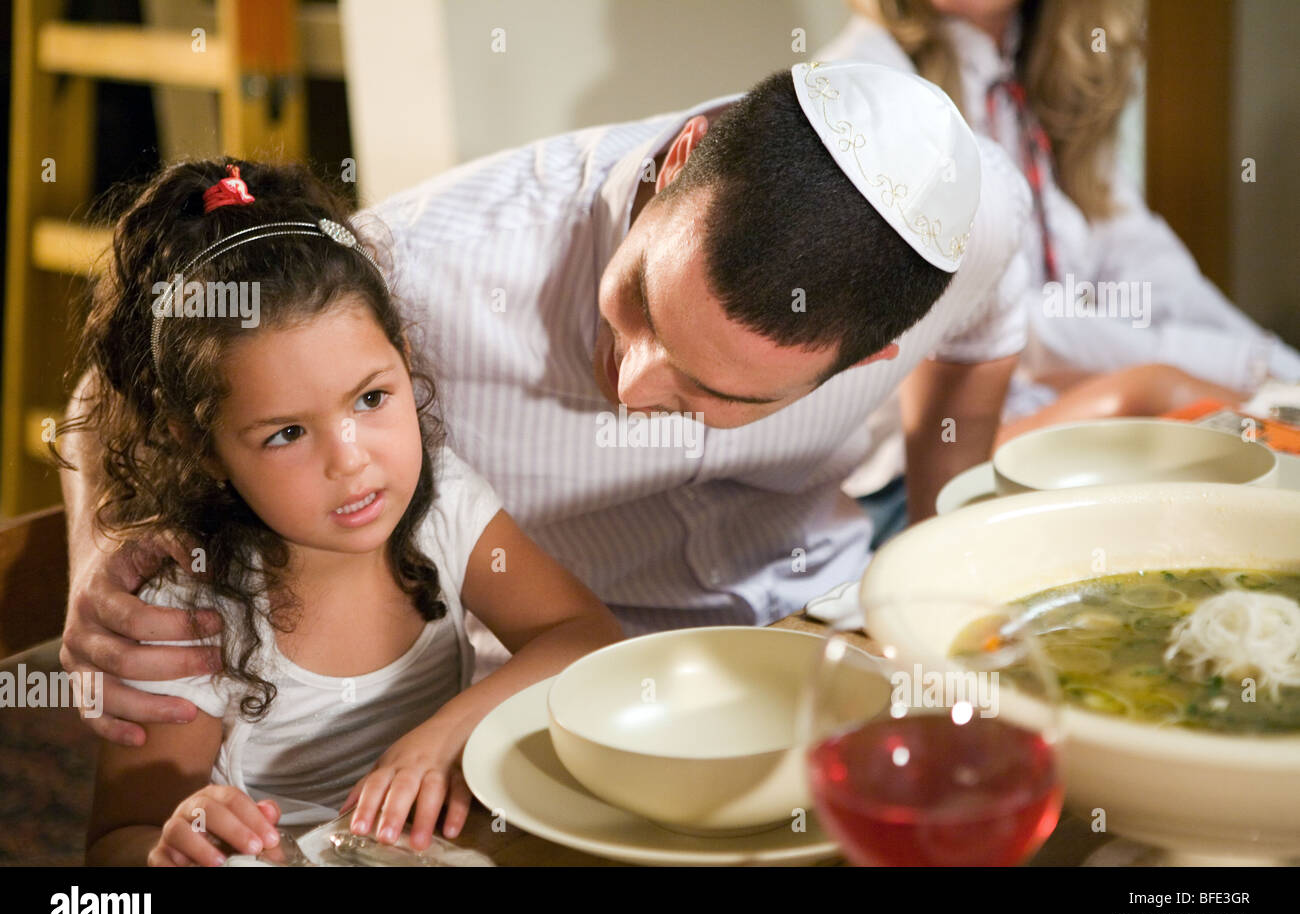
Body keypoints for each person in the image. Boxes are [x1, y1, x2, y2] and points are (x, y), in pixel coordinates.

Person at [59, 63, 1034, 747]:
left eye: (719, 392)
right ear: (684, 154)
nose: (634, 383)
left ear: (874, 354)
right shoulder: (433, 259)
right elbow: (113, 378)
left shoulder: (968, 222)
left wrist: (933, 579)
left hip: (826, 619)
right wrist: (100, 540)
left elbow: (979, 352)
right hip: (545, 689)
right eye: (638, 304)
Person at [63, 161, 624, 865]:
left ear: (404, 356)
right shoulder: (190, 614)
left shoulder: (443, 503)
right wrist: (170, 848)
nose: (351, 458)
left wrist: (444, 735)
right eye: (287, 434)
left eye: (370, 399)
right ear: (202, 447)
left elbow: (586, 635)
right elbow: (115, 846)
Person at [823, 0, 1300, 537]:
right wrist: (1240, 372)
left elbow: (1145, 262)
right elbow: (1009, 325)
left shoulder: (1033, 67)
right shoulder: (866, 88)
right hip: (912, 481)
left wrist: (1276, 367)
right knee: (1158, 399)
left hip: (1052, 429)